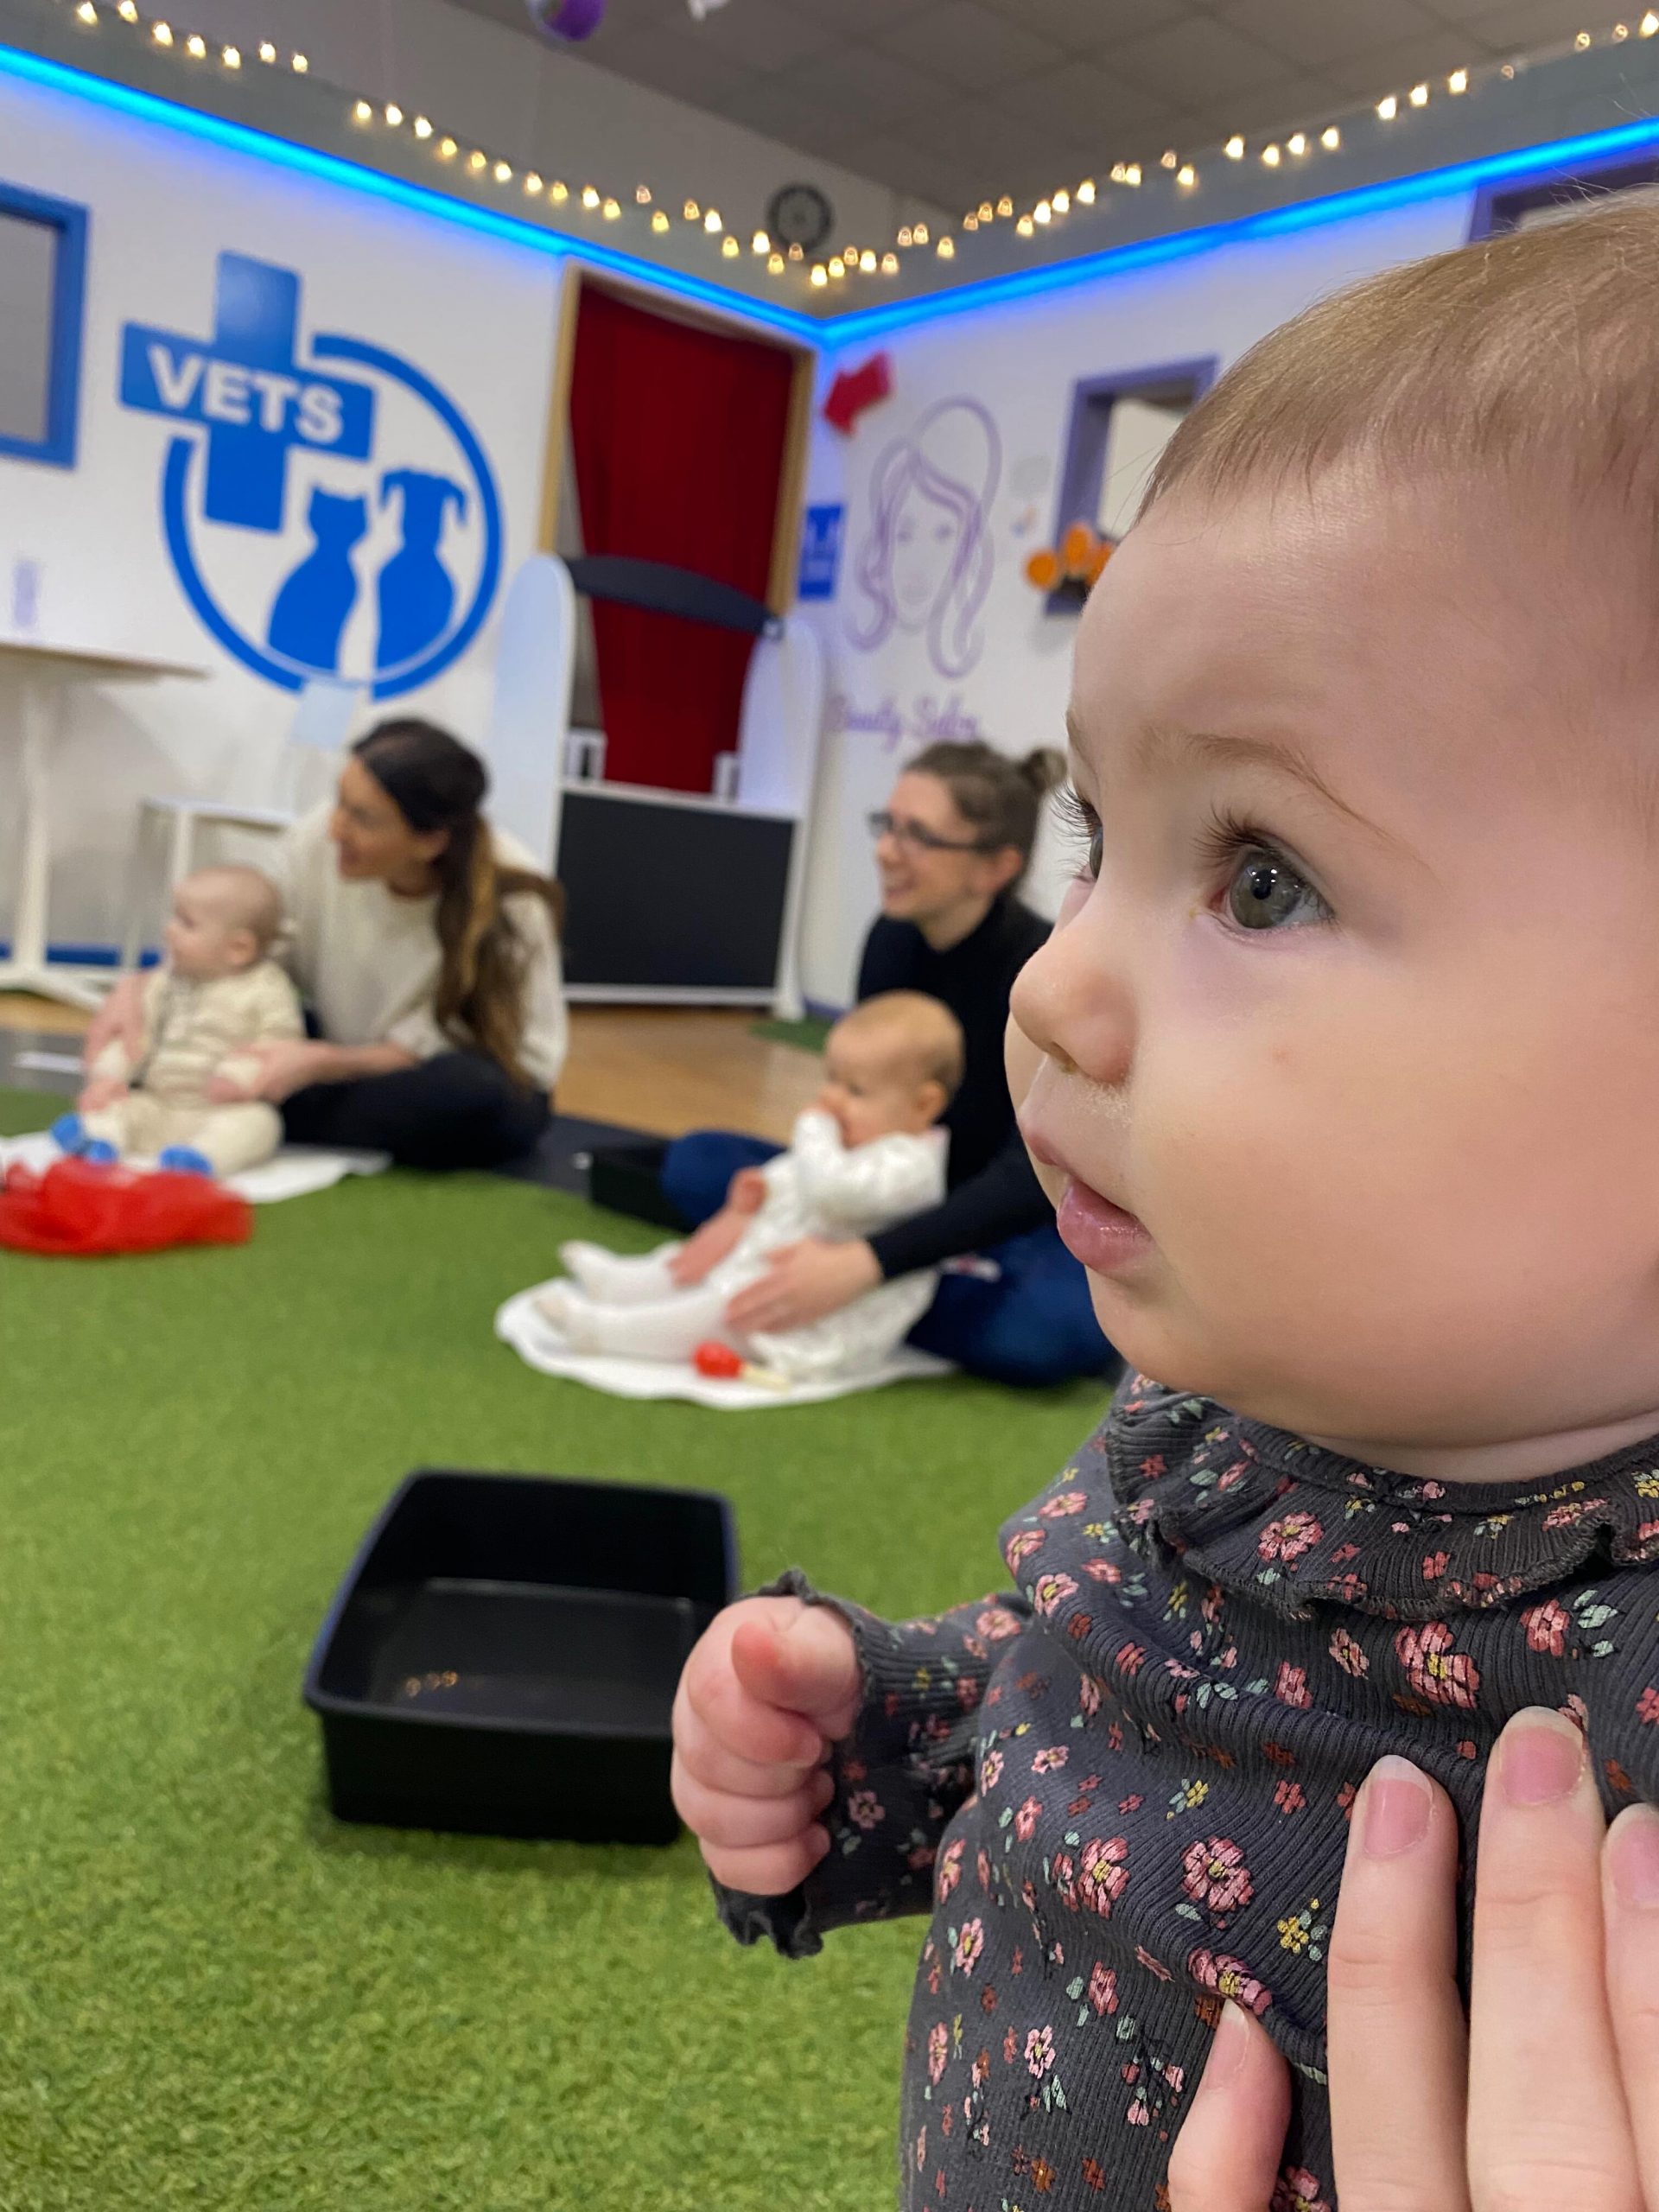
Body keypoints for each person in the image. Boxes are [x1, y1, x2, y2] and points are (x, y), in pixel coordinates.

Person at [669, 203, 1659, 2210]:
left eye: (1266, 877)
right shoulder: (1233, 1430)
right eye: (1099, 840)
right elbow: (1113, 1712)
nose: (1049, 982)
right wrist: (898, 1724)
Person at [664, 740, 1113, 1389]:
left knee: (1049, 1330)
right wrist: (762, 1202)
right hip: (875, 1190)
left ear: (994, 868)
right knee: (698, 1163)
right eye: (889, 826)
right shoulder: (890, 940)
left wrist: (865, 1266)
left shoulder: (1041, 969)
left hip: (988, 1218)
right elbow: (853, 1107)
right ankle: (818, 1278)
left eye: (919, 836)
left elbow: (1026, 1180)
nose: (886, 850)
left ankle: (805, 1279)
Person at [86, 721, 567, 1172]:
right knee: (225, 1026)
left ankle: (215, 1108)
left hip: (458, 1071)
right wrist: (145, 991)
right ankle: (216, 1106)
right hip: (340, 1046)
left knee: (468, 1092)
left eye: (363, 818)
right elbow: (248, 947)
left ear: (429, 841)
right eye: (340, 801)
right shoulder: (318, 838)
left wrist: (322, 1064)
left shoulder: (514, 902)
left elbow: (451, 1039)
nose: (336, 827)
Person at [542, 993, 958, 1385]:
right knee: (701, 1265)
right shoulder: (857, 1139)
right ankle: (622, 1286)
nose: (830, 1099)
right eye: (831, 1078)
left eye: (855, 1090)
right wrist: (757, 1197)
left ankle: (605, 1331)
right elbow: (799, 1175)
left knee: (715, 1314)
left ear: (924, 1105)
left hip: (822, 1316)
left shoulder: (912, 1166)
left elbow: (835, 1190)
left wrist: (812, 1130)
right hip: (777, 1268)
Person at [54, 864, 302, 1177]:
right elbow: (134, 1039)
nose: (169, 930)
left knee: (260, 1124)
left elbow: (280, 1044)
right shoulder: (164, 982)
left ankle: (200, 1158)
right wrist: (107, 1078)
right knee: (119, 1108)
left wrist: (241, 1077)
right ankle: (98, 1140)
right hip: (159, 1103)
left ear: (238, 948)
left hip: (221, 1108)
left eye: (187, 923)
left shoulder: (266, 988)